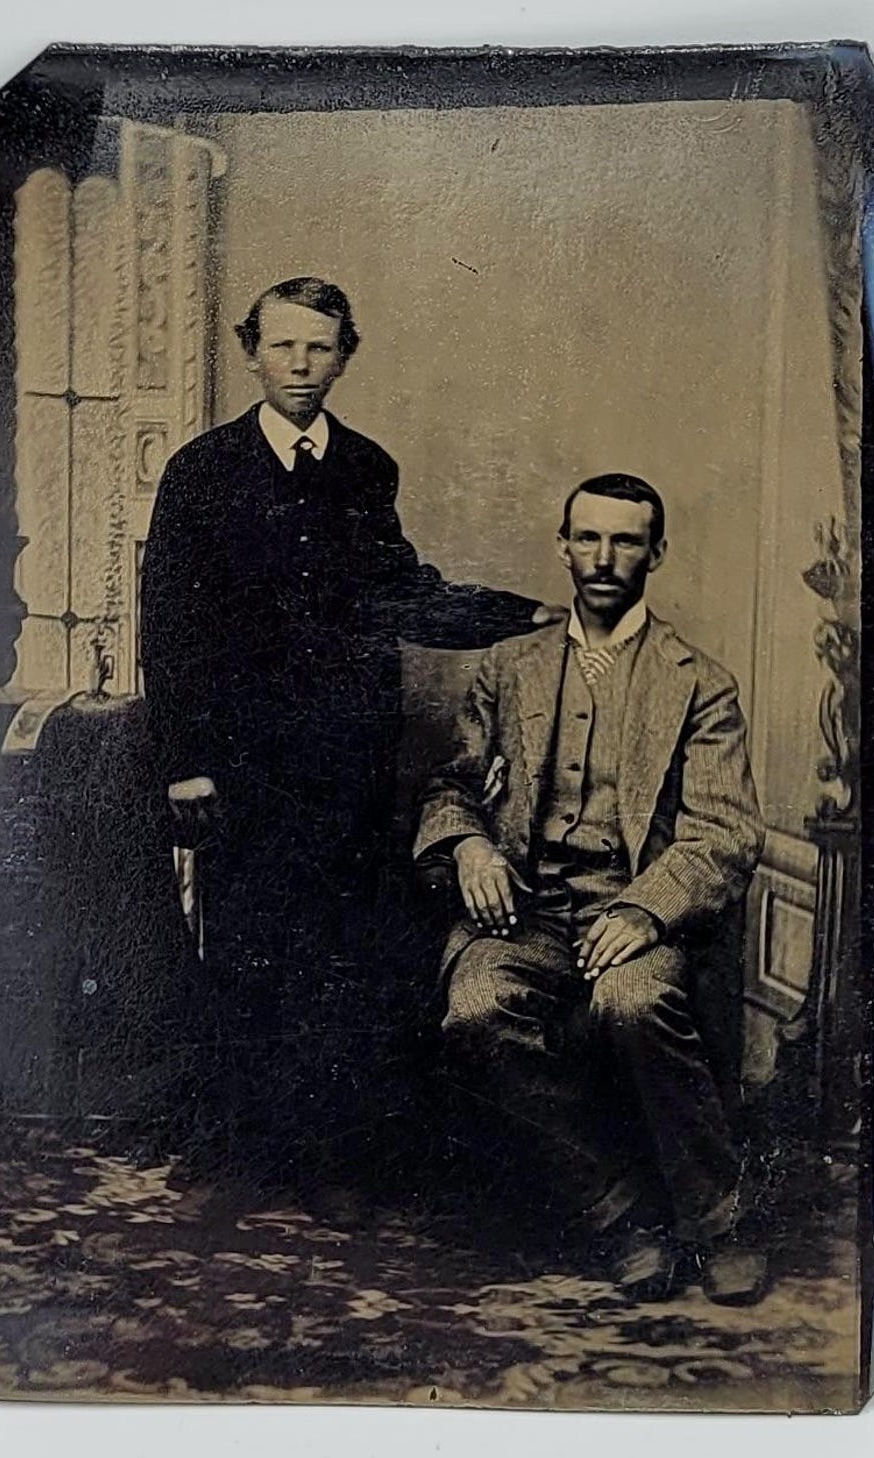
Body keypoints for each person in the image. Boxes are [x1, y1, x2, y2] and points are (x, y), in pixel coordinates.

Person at [139, 277, 553, 1185]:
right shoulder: (200, 473)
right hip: (242, 766)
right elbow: (168, 632)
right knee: (247, 944)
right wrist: (186, 766)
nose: (301, 365)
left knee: (341, 950)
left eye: (320, 348)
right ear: (252, 351)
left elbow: (401, 591)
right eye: (283, 346)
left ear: (344, 355)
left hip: (350, 757)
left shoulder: (367, 468)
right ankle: (243, 1153)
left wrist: (523, 614)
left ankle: (327, 1156)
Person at [414, 474, 768, 1303]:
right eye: (588, 539)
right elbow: (451, 786)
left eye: (626, 541)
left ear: (656, 553)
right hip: (525, 912)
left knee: (632, 1004)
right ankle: (620, 1215)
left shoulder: (699, 681)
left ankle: (718, 1222)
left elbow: (725, 831)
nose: (604, 560)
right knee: (475, 1009)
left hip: (635, 912)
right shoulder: (509, 668)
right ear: (564, 545)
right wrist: (469, 849)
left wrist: (645, 909)